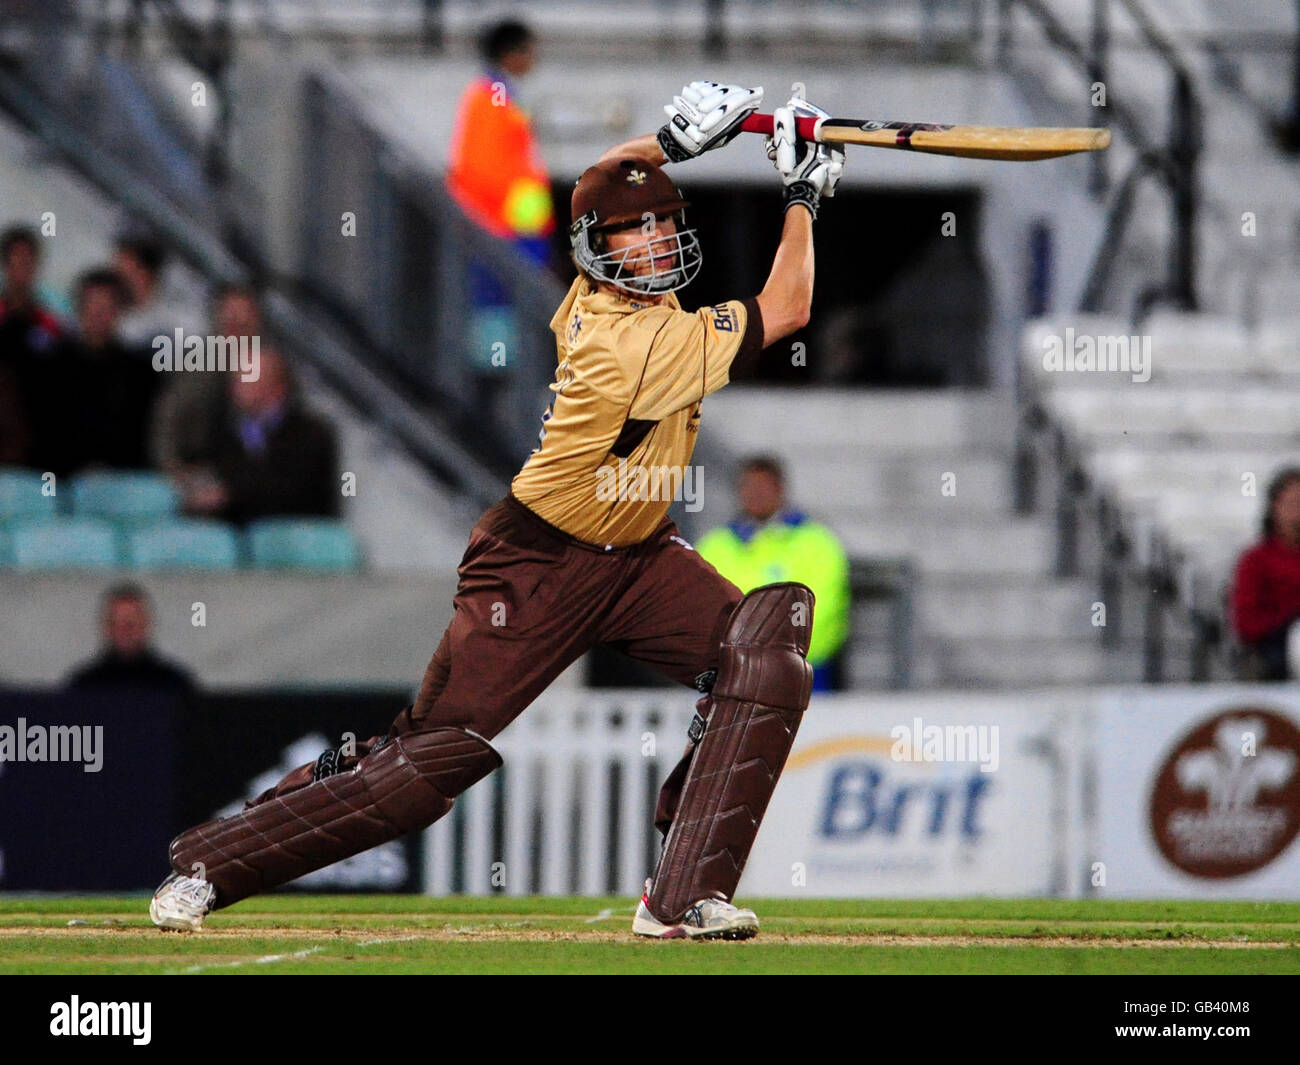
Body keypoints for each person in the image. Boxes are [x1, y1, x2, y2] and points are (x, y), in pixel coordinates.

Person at [150, 82, 845, 941]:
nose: (661, 238)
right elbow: (790, 308)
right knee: (418, 771)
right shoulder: (631, 342)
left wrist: (670, 141)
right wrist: (804, 195)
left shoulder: (626, 295)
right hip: (539, 562)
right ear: (601, 251)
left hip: (639, 553)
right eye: (640, 230)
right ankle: (208, 863)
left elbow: (605, 173)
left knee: (763, 651)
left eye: (667, 222)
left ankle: (683, 896)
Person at [445, 19, 555, 440]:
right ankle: (482, 418)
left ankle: (489, 414)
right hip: (502, 238)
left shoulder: (502, 97)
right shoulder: (491, 99)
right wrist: (515, 232)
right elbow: (483, 174)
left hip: (513, 236)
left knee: (504, 326)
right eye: (529, 49)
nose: (533, 58)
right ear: (511, 52)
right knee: (494, 325)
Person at [698, 455, 851, 690]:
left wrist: (773, 652)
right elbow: (702, 609)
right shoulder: (715, 546)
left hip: (802, 673)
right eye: (748, 486)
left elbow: (820, 612)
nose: (755, 494)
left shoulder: (817, 543)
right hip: (730, 674)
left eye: (762, 487)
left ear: (780, 490)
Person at [177, 346, 339, 525]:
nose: (236, 389)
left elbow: (294, 492)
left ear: (277, 387)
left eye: (246, 380)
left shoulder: (312, 434)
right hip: (236, 538)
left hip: (294, 540)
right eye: (236, 380)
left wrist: (231, 493)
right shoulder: (222, 431)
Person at [27, 269, 159, 475]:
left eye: (107, 306)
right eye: (92, 304)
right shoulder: (51, 367)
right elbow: (43, 431)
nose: (99, 313)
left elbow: (141, 436)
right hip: (60, 480)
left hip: (120, 481)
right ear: (79, 308)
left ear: (119, 311)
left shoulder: (138, 372)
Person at [150, 282, 259, 474]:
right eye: (228, 312)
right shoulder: (197, 362)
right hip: (197, 467)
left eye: (243, 314)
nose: (235, 320)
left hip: (251, 471)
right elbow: (168, 419)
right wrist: (172, 467)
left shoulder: (269, 364)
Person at [1231, 467, 1300, 680]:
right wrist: (1289, 621)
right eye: (1293, 504)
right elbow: (1246, 624)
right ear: (1274, 507)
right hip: (1275, 654)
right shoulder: (1256, 559)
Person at [67, 583, 196, 695]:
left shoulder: (174, 684)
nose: (125, 630)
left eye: (131, 623)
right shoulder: (84, 685)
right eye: (118, 623)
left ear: (147, 625)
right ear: (106, 627)